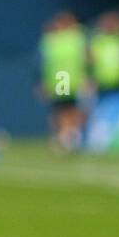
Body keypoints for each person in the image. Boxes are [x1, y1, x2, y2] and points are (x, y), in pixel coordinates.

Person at [38, 11, 88, 152]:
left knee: (73, 109)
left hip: (73, 78)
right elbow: (46, 63)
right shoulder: (52, 40)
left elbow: (85, 57)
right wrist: (45, 82)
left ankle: (70, 136)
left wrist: (86, 77)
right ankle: (64, 136)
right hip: (61, 78)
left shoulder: (77, 37)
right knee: (61, 108)